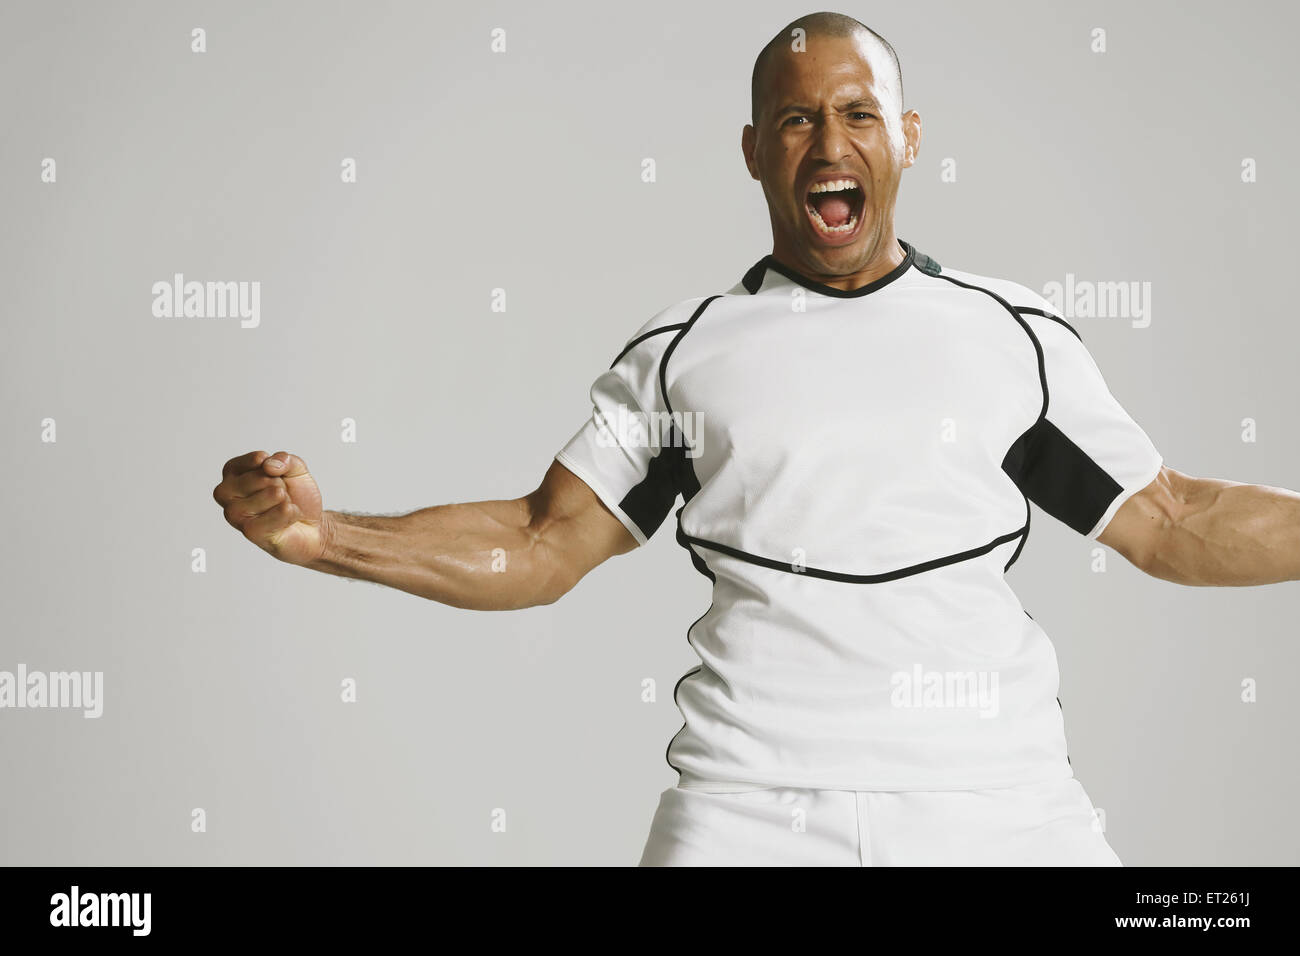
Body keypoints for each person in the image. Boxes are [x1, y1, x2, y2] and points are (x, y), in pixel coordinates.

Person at [212, 12, 1300, 866]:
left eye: (858, 114)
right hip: (749, 808)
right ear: (752, 149)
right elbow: (541, 543)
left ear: (907, 138)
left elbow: (1170, 521)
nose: (828, 142)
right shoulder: (687, 354)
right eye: (794, 119)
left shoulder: (1009, 337)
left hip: (996, 803)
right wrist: (327, 537)